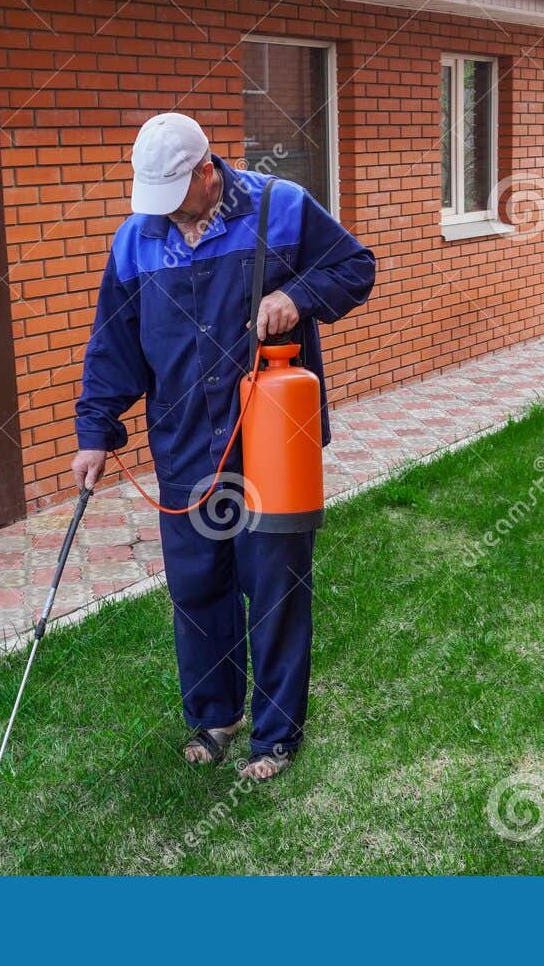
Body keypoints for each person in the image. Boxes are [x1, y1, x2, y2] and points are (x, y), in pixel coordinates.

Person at [72, 113, 375, 779]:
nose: (166, 217)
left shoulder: (281, 208)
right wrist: (95, 430)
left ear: (208, 173)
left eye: (176, 201)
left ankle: (275, 734)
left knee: (273, 585)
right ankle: (215, 714)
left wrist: (299, 295)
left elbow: (356, 267)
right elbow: (113, 345)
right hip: (184, 445)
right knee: (198, 584)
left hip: (272, 444)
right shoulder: (135, 240)